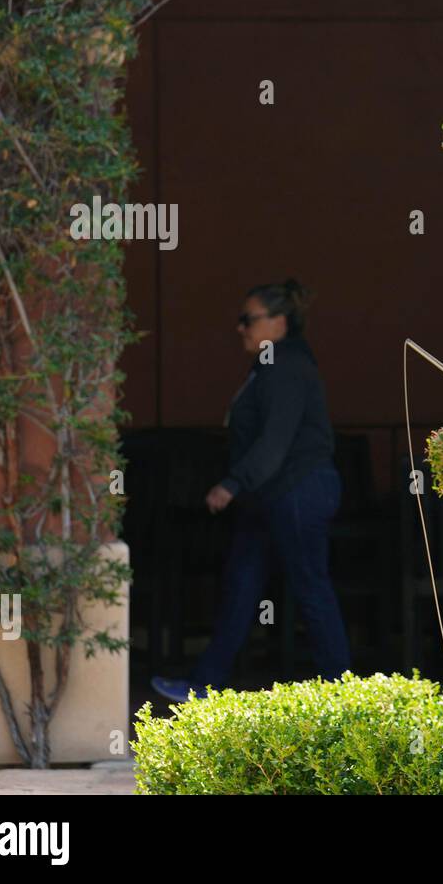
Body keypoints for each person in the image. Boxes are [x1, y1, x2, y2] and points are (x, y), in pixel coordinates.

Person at [151, 279, 350, 701]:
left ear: (278, 322)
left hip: (297, 491)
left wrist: (232, 483)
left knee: (310, 587)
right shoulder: (271, 365)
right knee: (241, 586)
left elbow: (274, 441)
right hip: (270, 495)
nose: (240, 328)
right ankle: (205, 685)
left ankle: (344, 694)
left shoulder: (286, 366)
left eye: (248, 320)